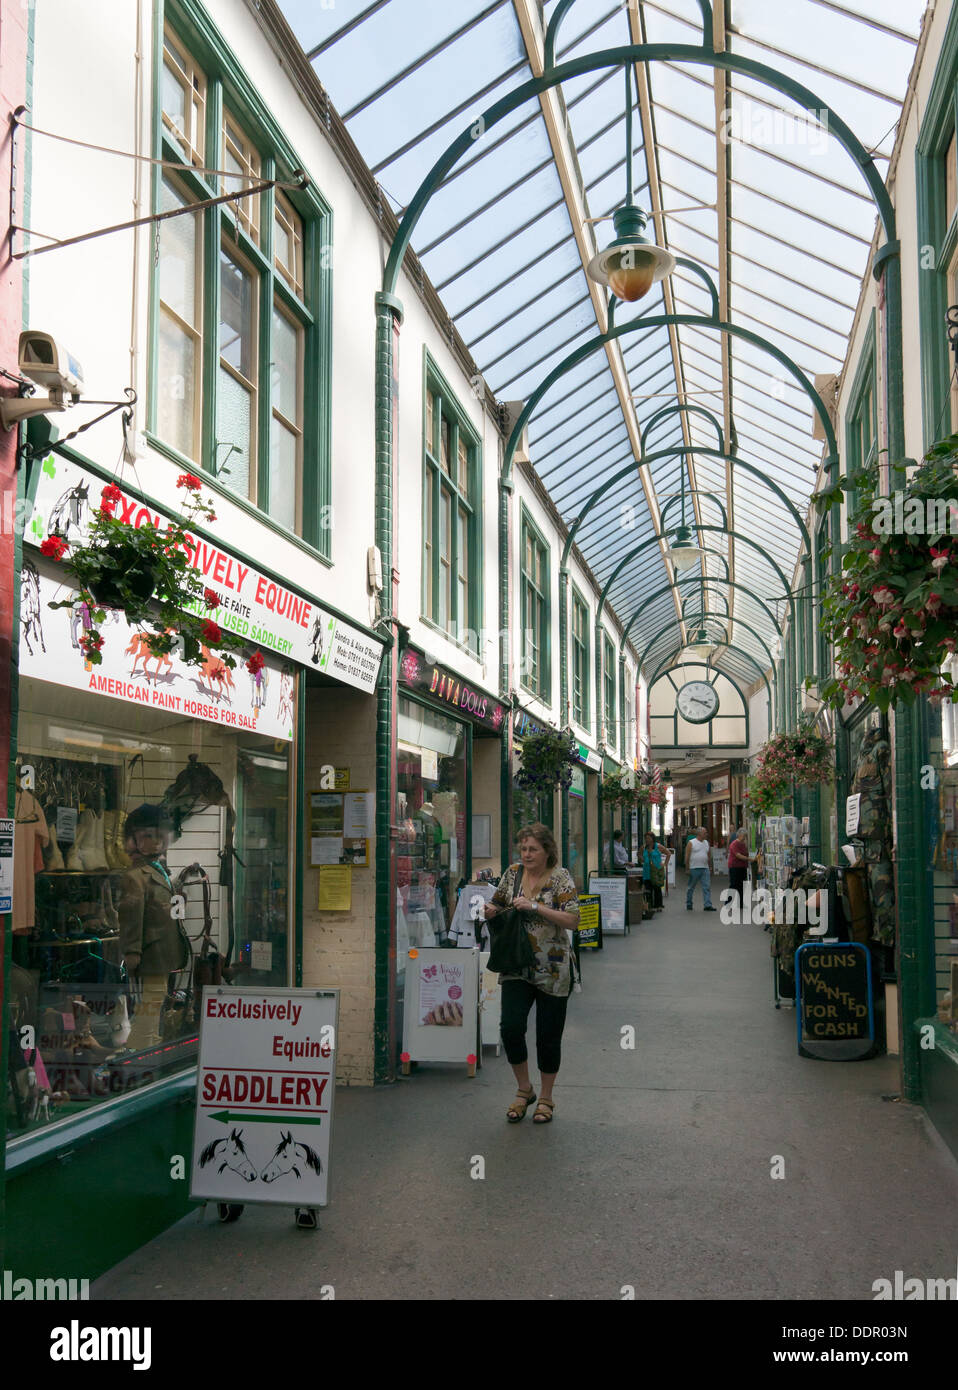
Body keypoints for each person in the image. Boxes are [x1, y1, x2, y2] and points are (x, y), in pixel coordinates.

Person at [484, 823, 579, 1124]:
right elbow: (497, 904)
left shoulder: (561, 878)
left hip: (553, 967)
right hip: (516, 964)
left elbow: (573, 920)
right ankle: (525, 1090)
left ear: (547, 850)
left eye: (532, 849)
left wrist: (535, 906)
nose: (526, 854)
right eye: (523, 848)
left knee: (548, 1037)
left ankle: (547, 1097)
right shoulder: (512, 874)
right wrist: (489, 910)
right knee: (510, 1027)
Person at [116, 804, 190, 1051]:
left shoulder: (159, 870)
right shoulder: (135, 876)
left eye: (159, 835)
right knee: (151, 1001)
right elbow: (131, 916)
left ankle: (149, 1042)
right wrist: (132, 951)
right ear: (134, 839)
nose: (155, 841)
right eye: (147, 835)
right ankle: (139, 1046)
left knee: (156, 1001)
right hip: (151, 951)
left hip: (164, 950)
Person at [685, 826, 715, 912]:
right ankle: (689, 903)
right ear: (699, 834)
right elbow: (687, 856)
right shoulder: (691, 843)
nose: (706, 834)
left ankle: (707, 905)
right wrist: (687, 868)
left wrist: (710, 867)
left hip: (705, 868)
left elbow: (709, 855)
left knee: (707, 887)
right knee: (691, 887)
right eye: (705, 833)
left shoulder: (706, 843)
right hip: (694, 868)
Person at [727, 827, 751, 911]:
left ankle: (741, 903)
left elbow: (746, 853)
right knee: (734, 885)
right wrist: (748, 859)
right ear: (740, 835)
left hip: (742, 867)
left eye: (746, 836)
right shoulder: (734, 844)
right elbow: (738, 855)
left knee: (741, 886)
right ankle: (728, 903)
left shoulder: (743, 844)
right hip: (734, 867)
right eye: (744, 836)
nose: (745, 838)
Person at [642, 831, 664, 911]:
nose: (647, 840)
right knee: (648, 889)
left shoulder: (658, 846)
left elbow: (668, 853)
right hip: (647, 871)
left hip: (656, 871)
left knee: (657, 888)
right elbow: (639, 854)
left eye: (648, 838)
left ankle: (659, 905)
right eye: (646, 838)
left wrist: (664, 864)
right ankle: (650, 906)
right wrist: (642, 859)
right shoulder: (644, 847)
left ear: (652, 838)